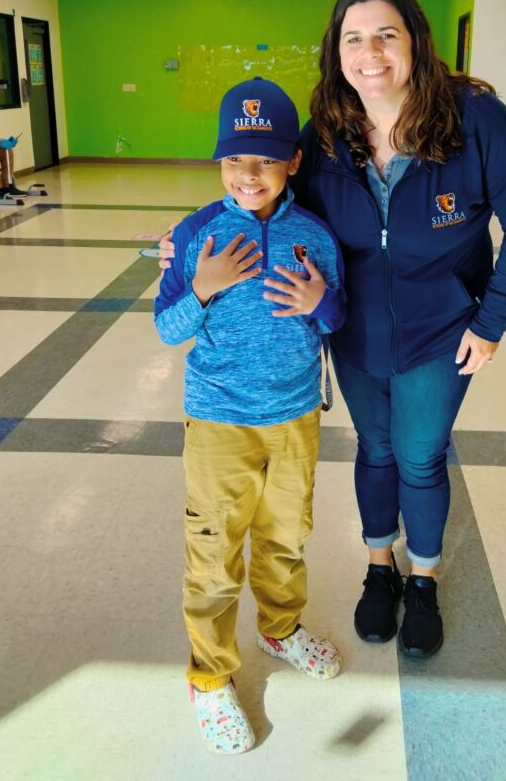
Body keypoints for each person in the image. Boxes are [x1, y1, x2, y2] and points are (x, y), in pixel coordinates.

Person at [160, 0, 506, 662]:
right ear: (336, 52)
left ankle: (422, 579)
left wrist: (491, 322)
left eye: (386, 34)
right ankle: (379, 566)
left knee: (421, 456)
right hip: (355, 327)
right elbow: (258, 181)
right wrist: (185, 240)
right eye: (353, 38)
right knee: (376, 450)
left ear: (417, 42)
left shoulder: (477, 121)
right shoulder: (328, 133)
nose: (370, 53)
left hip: (443, 330)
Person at [154, 76, 346, 755]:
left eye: (265, 160)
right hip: (218, 422)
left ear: (293, 161)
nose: (248, 175)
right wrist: (201, 287)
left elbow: (338, 318)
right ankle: (210, 678)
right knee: (212, 554)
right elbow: (167, 330)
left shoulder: (315, 236)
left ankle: (281, 626)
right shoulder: (197, 234)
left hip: (294, 417)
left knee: (286, 535)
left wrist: (322, 302)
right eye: (235, 160)